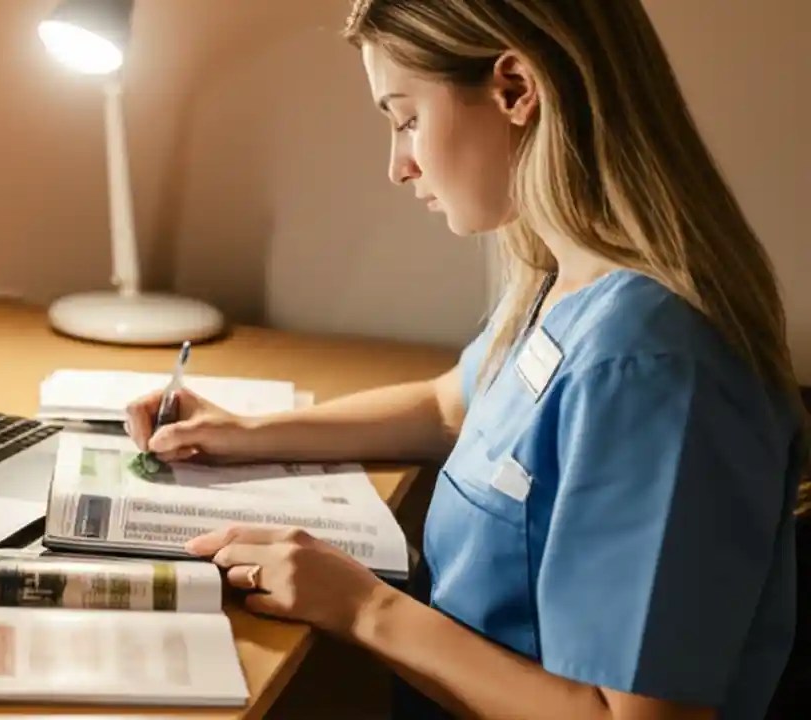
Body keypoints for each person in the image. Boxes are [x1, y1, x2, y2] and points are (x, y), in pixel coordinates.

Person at [124, 1, 807, 718]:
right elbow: (455, 404)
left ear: (515, 89)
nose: (398, 164)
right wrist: (246, 433)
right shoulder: (566, 279)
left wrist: (362, 609)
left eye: (406, 118)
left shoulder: (650, 368)